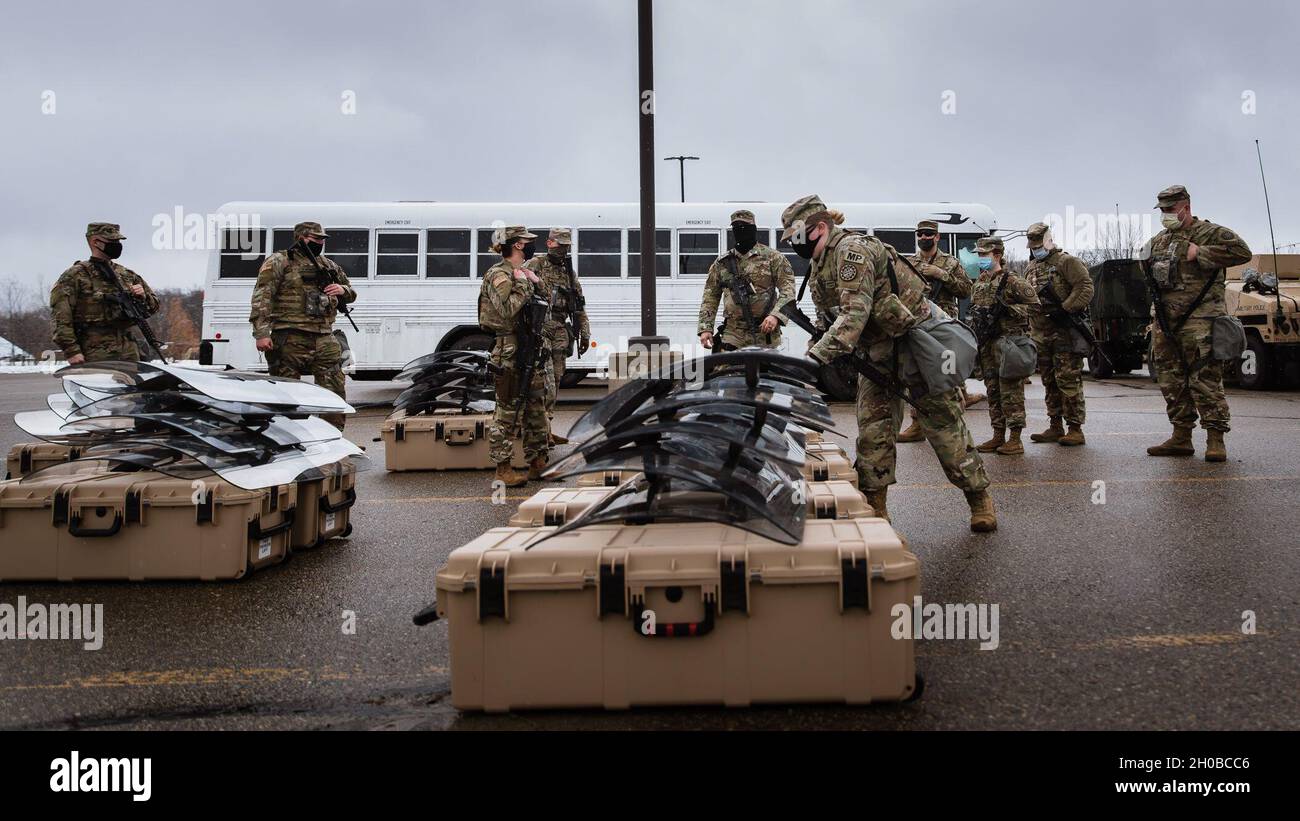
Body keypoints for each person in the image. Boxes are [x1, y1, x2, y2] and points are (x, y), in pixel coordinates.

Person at [781, 194, 995, 532]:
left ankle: (979, 499)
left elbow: (854, 314)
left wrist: (813, 361)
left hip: (914, 347)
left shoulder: (852, 252)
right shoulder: (820, 265)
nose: (793, 246)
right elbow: (829, 321)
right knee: (873, 433)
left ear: (819, 228)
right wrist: (817, 348)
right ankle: (875, 510)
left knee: (944, 426)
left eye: (795, 237)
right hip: (877, 356)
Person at [1141, 185, 1252, 462]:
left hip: (1201, 321)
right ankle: (1181, 437)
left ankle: (1215, 439)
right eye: (1162, 210)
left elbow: (1242, 252)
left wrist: (1202, 254)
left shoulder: (1211, 233)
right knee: (1171, 381)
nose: (1165, 215)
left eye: (1169, 209)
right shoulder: (1159, 240)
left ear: (1185, 207)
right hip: (1166, 323)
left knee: (1205, 381)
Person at [249, 221, 356, 430]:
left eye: (322, 239)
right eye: (315, 239)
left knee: (334, 387)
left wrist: (342, 290)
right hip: (289, 336)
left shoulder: (328, 265)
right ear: (300, 238)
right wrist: (261, 333)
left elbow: (351, 293)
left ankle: (332, 438)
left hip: (324, 336)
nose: (320, 243)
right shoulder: (279, 262)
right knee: (287, 394)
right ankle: (291, 437)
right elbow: (262, 298)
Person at [479, 226, 554, 487]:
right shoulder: (498, 275)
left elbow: (547, 303)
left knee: (536, 405)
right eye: (528, 241)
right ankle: (503, 468)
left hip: (530, 347)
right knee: (508, 409)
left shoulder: (524, 273)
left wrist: (536, 281)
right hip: (509, 350)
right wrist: (523, 282)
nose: (533, 245)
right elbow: (509, 309)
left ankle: (538, 463)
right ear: (518, 245)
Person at [899, 219, 978, 442]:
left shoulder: (950, 263)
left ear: (937, 237)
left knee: (946, 376)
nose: (923, 238)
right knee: (915, 375)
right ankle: (916, 424)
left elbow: (965, 291)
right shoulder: (909, 262)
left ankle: (953, 426)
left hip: (942, 328)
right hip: (917, 325)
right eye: (920, 234)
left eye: (928, 234)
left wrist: (940, 274)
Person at [51, 222, 160, 364]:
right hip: (94, 353)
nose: (117, 245)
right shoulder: (75, 276)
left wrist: (142, 297)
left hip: (128, 352)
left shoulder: (126, 275)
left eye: (118, 241)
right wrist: (72, 351)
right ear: (95, 242)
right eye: (112, 241)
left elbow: (153, 307)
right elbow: (61, 318)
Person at [1024, 222, 1093, 446]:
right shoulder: (1031, 267)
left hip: (1064, 332)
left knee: (1068, 380)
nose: (1035, 249)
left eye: (1038, 244)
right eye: (1032, 245)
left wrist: (1065, 308)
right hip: (1041, 333)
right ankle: (1055, 425)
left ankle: (1075, 428)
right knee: (1049, 381)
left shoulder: (1066, 262)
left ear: (1048, 240)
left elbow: (1085, 287)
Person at [969, 236, 1039, 455]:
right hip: (987, 344)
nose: (980, 258)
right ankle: (998, 435)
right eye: (979, 255)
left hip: (1008, 342)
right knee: (992, 389)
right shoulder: (980, 282)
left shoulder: (1012, 281)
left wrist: (1009, 308)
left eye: (984, 254)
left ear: (997, 255)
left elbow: (1035, 307)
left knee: (1011, 391)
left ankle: (1015, 439)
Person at [524, 228, 589, 446]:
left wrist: (585, 331)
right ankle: (540, 430)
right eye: (560, 245)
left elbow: (579, 304)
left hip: (561, 329)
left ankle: (547, 427)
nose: (563, 250)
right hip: (541, 327)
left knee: (558, 378)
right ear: (549, 243)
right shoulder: (535, 265)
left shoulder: (568, 272)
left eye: (566, 246)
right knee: (546, 381)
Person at [698, 209, 795, 352]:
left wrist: (776, 316)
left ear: (753, 229)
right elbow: (710, 296)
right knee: (725, 372)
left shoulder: (773, 258)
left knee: (767, 373)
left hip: (765, 333)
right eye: (736, 228)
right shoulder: (722, 263)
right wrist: (705, 328)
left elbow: (788, 291)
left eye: (744, 227)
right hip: (733, 333)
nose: (740, 231)